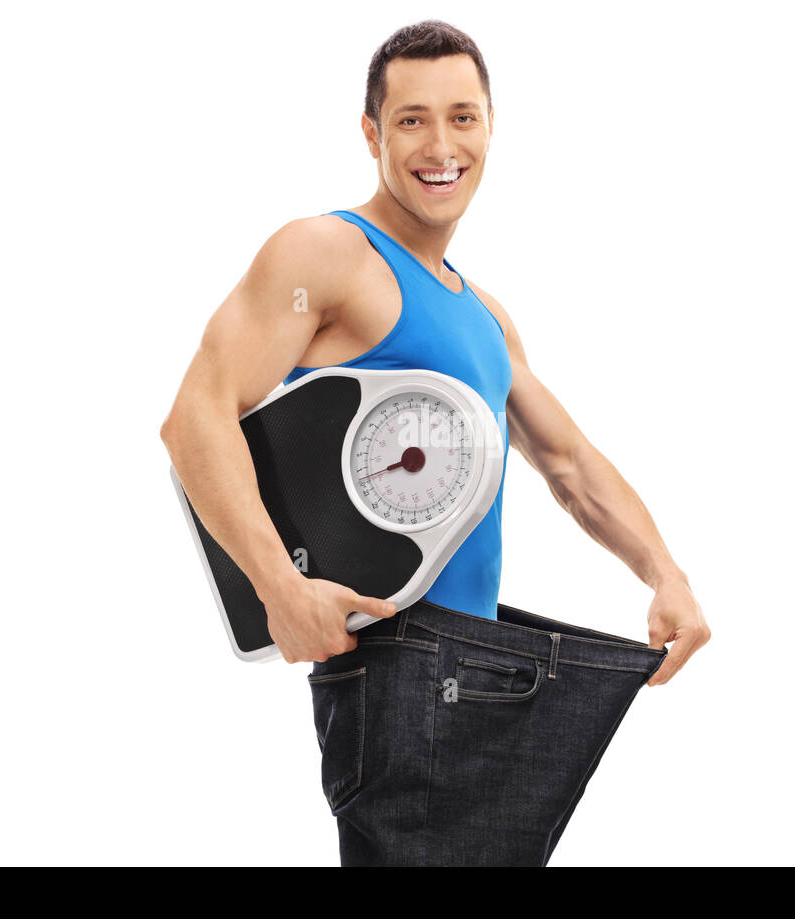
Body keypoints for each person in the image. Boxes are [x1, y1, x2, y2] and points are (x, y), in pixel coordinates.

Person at [160, 19, 711, 865]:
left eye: (463, 116)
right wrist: (279, 586)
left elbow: (566, 461)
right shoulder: (328, 253)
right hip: (395, 662)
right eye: (412, 119)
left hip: (475, 660)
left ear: (490, 128)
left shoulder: (483, 314)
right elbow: (195, 416)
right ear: (373, 134)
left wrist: (663, 573)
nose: (440, 144)